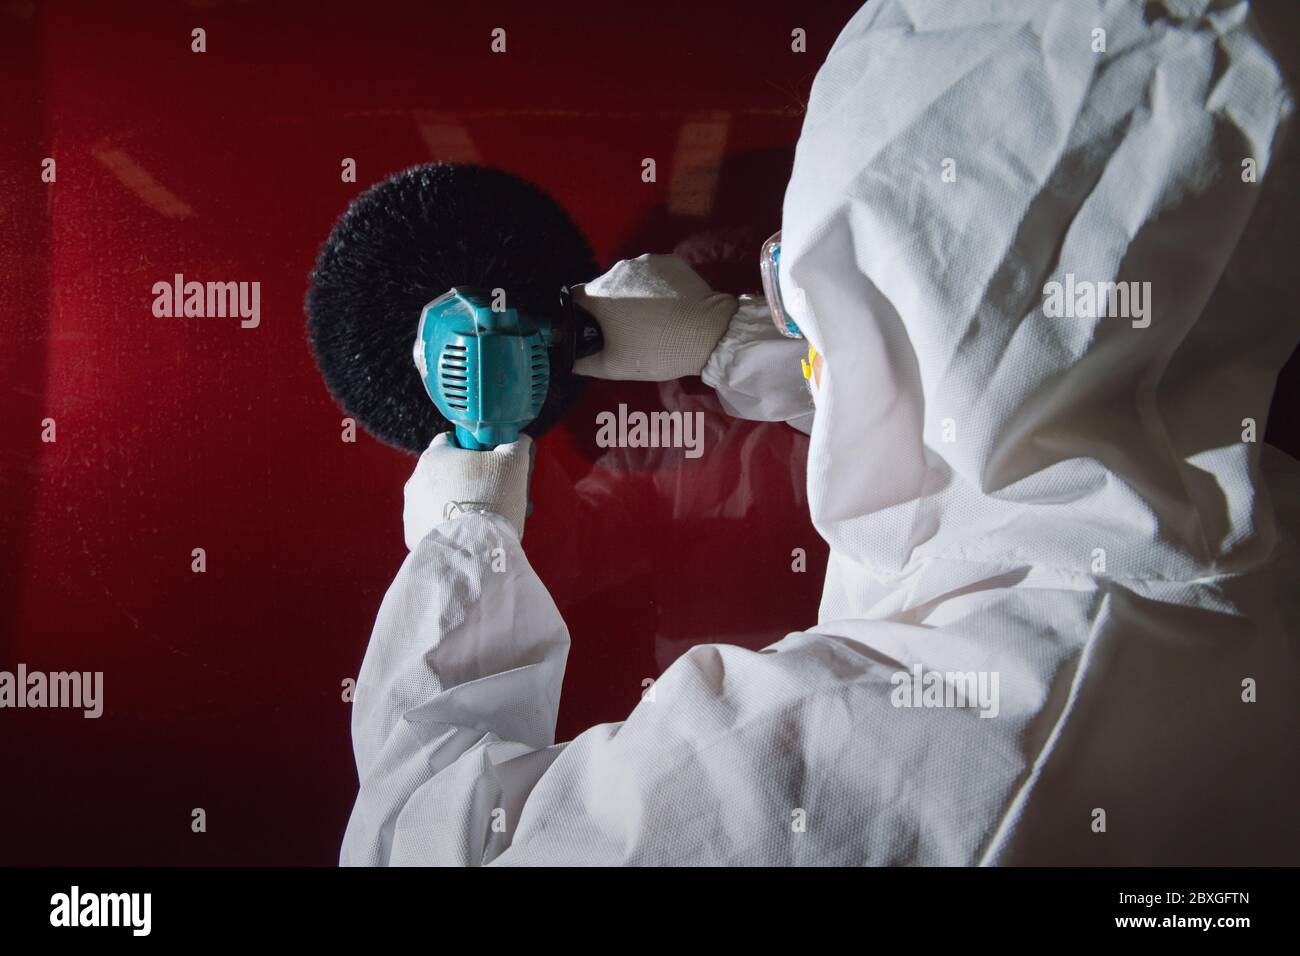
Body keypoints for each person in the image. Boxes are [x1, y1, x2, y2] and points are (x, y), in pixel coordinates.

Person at [341, 0, 1300, 865]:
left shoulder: (876, 755)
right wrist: (731, 341)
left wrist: (462, 537)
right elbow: (973, 406)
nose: (773, 284)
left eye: (801, 267)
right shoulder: (1239, 552)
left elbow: (421, 843)